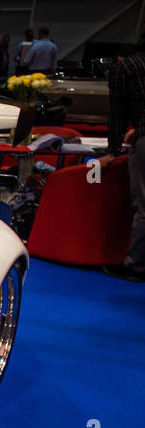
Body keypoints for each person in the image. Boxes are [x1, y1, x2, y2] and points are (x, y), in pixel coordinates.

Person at [105, 41, 145, 281]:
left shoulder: (125, 67)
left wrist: (112, 149)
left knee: (143, 205)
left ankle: (135, 265)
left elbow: (116, 111)